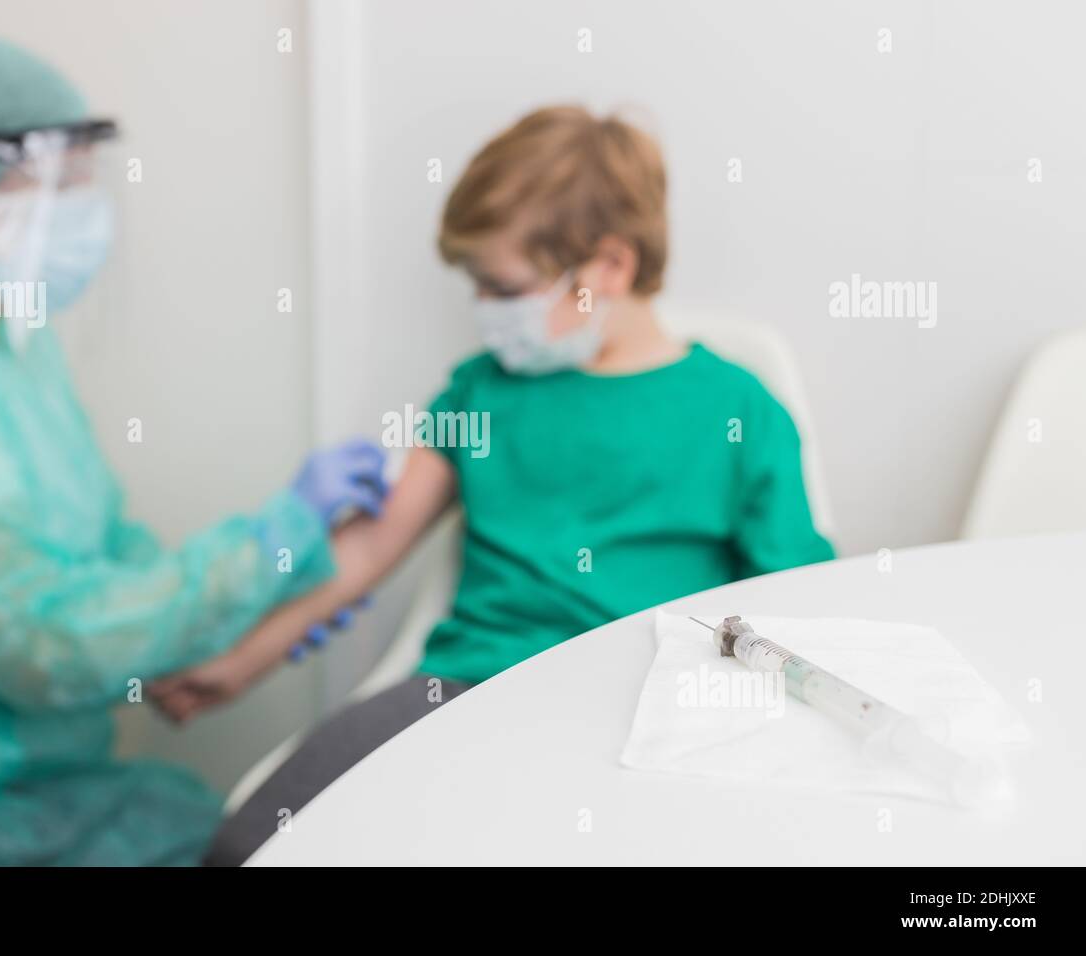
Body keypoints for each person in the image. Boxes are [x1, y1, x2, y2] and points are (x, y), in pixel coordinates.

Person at [151, 106, 836, 864]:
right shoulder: (479, 394)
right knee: (248, 845)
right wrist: (237, 664)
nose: (485, 311)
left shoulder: (740, 411)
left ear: (609, 267)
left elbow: (796, 603)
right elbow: (368, 549)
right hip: (459, 690)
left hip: (640, 711)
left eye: (503, 287)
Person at [0, 33, 386, 866]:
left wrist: (244, 609)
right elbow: (35, 640)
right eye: (63, 177)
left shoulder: (13, 344)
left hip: (38, 786)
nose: (86, 204)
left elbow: (103, 558)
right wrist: (263, 553)